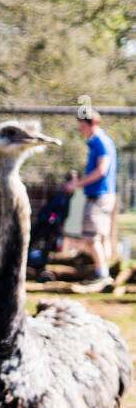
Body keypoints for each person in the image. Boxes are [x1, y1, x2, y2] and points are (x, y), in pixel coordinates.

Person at [64, 108, 117, 281]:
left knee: (90, 237)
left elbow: (102, 170)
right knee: (100, 236)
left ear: (92, 123)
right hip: (100, 195)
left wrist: (76, 184)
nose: (81, 129)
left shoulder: (101, 142)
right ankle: (104, 272)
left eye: (82, 125)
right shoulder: (96, 142)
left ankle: (103, 274)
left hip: (99, 196)